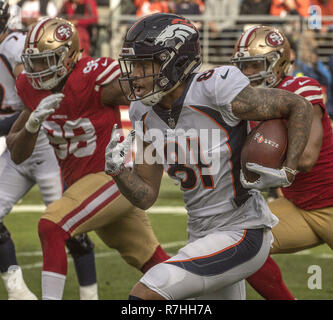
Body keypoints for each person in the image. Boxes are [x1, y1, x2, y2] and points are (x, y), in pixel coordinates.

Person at [104, 13, 313, 300]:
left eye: (143, 64)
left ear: (175, 61)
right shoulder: (143, 111)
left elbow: (299, 106)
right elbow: (146, 195)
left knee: (147, 292)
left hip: (242, 229)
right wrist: (118, 171)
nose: (135, 75)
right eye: (133, 65)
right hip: (201, 233)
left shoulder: (214, 87)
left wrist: (288, 169)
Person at [6, 17, 170, 300]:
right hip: (84, 188)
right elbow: (18, 153)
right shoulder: (32, 87)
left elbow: (145, 91)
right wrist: (33, 122)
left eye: (47, 61)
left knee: (51, 225)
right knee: (153, 262)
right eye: (35, 61)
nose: (38, 70)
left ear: (69, 56)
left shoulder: (92, 76)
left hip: (112, 179)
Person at [0, 0, 100, 300]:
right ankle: (16, 289)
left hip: (46, 143)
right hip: (18, 143)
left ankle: (90, 294)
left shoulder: (14, 46)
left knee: (71, 229)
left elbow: (36, 97)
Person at [231, 25, 333, 300]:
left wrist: (264, 162)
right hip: (299, 205)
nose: (247, 73)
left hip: (330, 201)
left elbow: (308, 157)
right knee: (239, 246)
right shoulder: (249, 101)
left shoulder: (300, 88)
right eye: (243, 66)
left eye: (254, 65)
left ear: (278, 62)